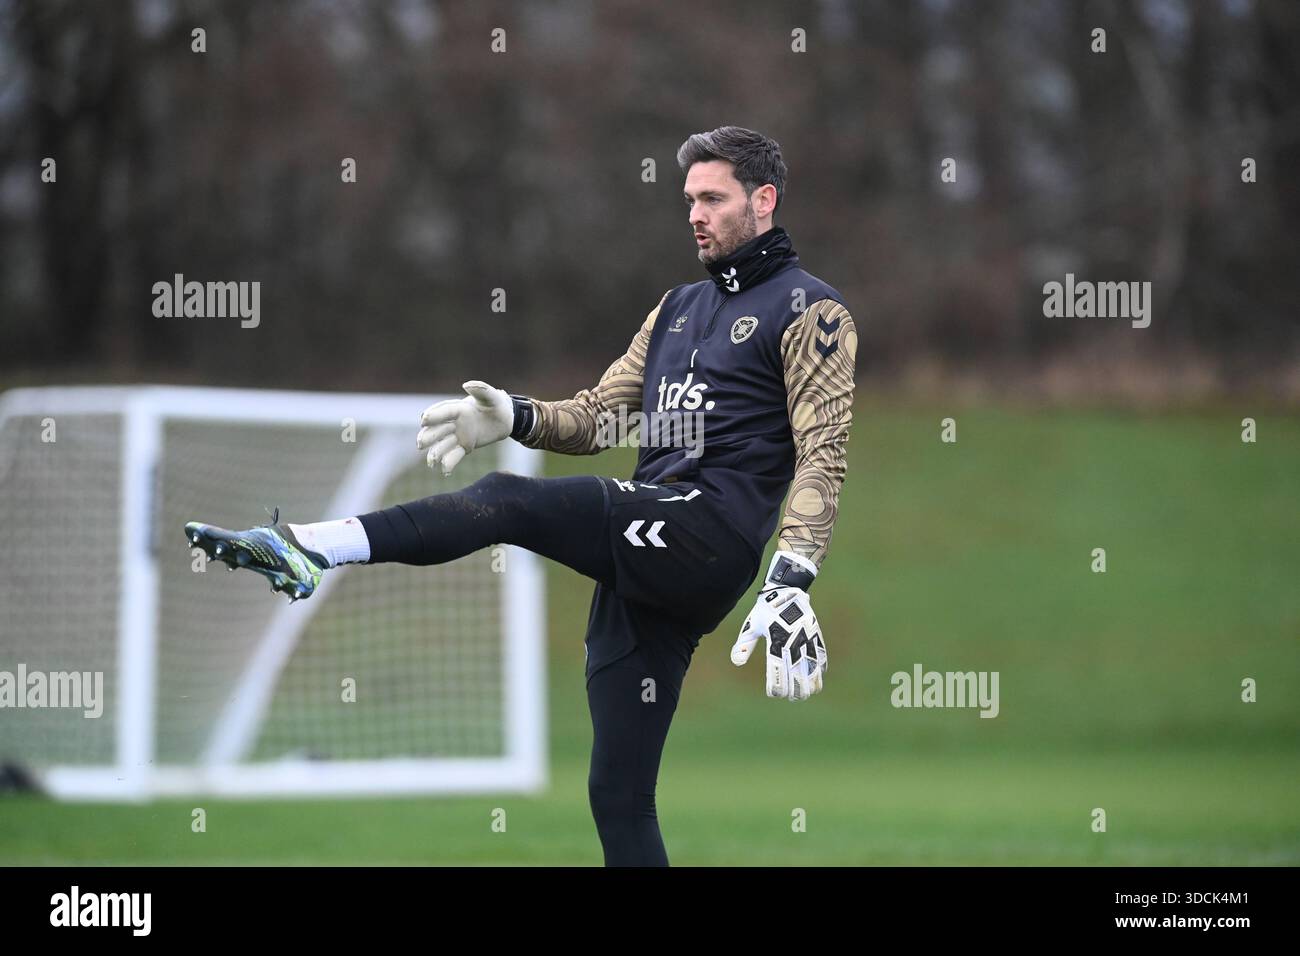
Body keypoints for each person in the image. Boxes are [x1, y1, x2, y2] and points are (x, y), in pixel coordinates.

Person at [184, 126, 857, 866]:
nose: (695, 213)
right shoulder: (676, 309)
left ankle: (309, 546)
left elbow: (825, 448)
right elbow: (601, 415)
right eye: (689, 199)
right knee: (618, 797)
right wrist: (515, 415)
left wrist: (793, 574)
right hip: (646, 555)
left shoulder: (811, 310)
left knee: (508, 500)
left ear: (763, 200)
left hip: (707, 536)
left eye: (713, 198)